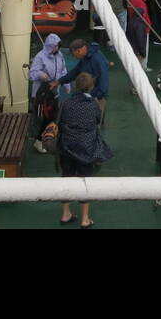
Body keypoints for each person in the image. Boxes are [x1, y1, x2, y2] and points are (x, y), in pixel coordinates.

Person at [56, 72, 112, 227]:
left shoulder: (66, 103)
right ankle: (85, 218)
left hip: (67, 147)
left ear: (76, 86)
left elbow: (60, 121)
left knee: (66, 177)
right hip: (86, 149)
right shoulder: (93, 105)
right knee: (85, 181)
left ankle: (66, 214)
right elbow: (96, 120)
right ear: (90, 87)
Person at [28, 33, 67, 153]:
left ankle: (47, 139)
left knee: (53, 117)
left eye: (58, 46)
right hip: (41, 96)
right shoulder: (40, 57)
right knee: (42, 119)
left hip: (54, 94)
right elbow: (31, 74)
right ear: (50, 46)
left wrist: (67, 83)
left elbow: (63, 70)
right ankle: (38, 141)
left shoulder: (59, 55)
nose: (57, 49)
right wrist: (41, 74)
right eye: (55, 46)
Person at [51, 39, 110, 114]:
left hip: (97, 98)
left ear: (79, 51)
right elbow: (74, 72)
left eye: (73, 54)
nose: (73, 57)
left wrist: (91, 97)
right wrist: (59, 81)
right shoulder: (85, 58)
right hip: (87, 95)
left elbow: (103, 83)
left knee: (93, 120)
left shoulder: (98, 60)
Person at [127, 0, 150, 68]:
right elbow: (144, 16)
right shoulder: (141, 3)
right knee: (142, 46)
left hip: (132, 26)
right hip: (142, 27)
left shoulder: (133, 0)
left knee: (134, 46)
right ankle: (143, 66)